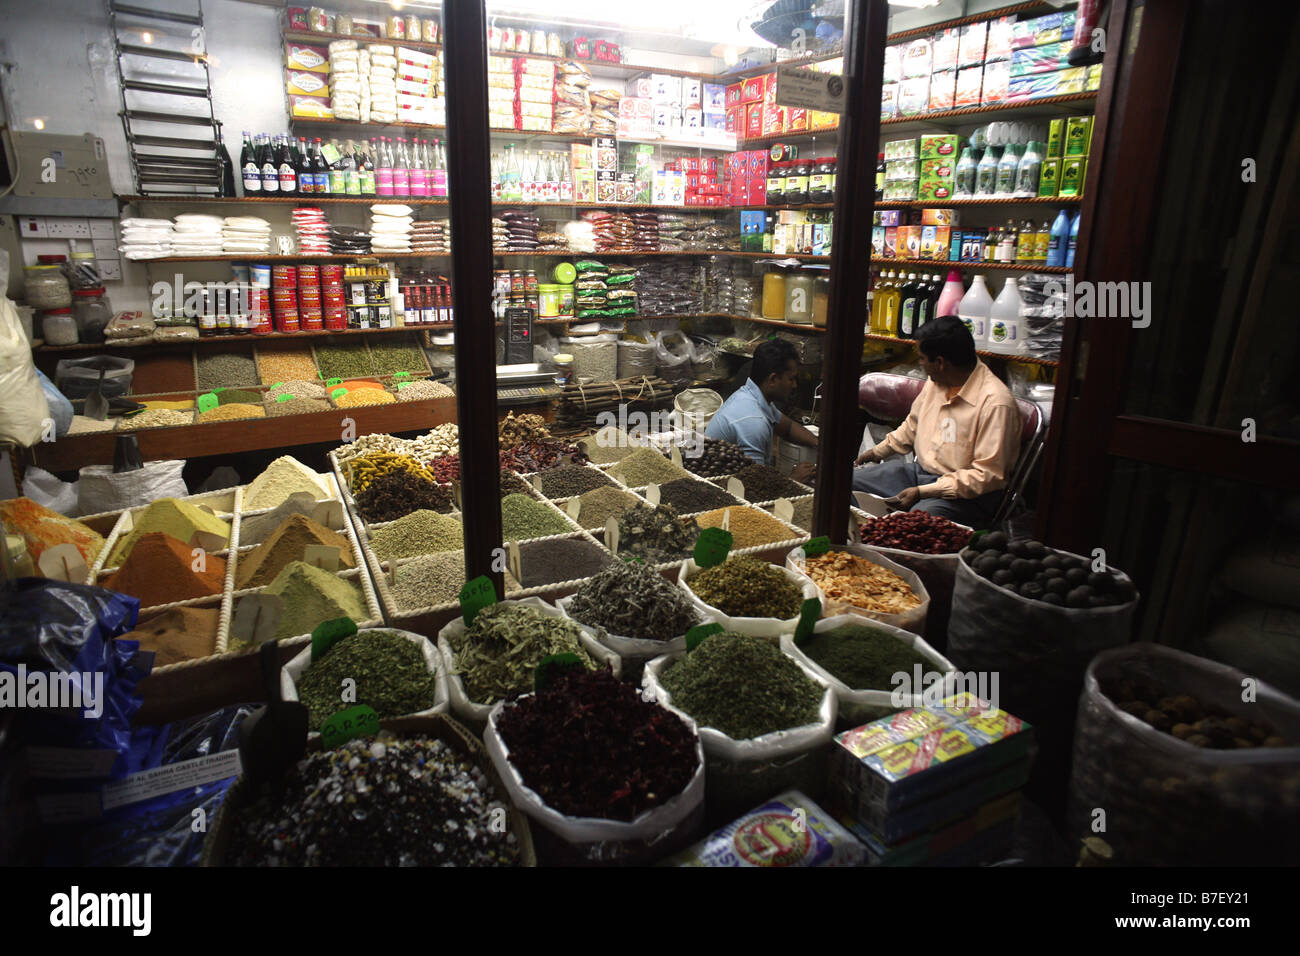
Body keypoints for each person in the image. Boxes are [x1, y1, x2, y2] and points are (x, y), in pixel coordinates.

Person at [853, 316, 1021, 527]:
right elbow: (913, 425)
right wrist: (878, 451)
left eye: (922, 358)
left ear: (940, 363)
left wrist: (925, 492)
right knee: (848, 484)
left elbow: (986, 476)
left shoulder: (996, 404)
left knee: (913, 522)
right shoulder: (938, 382)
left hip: (967, 496)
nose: (920, 363)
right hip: (919, 476)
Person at [706, 338, 819, 482]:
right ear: (772, 380)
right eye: (791, 379)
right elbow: (756, 487)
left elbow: (788, 427)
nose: (795, 385)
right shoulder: (753, 421)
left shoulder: (752, 396)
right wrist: (794, 479)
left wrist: (818, 444)